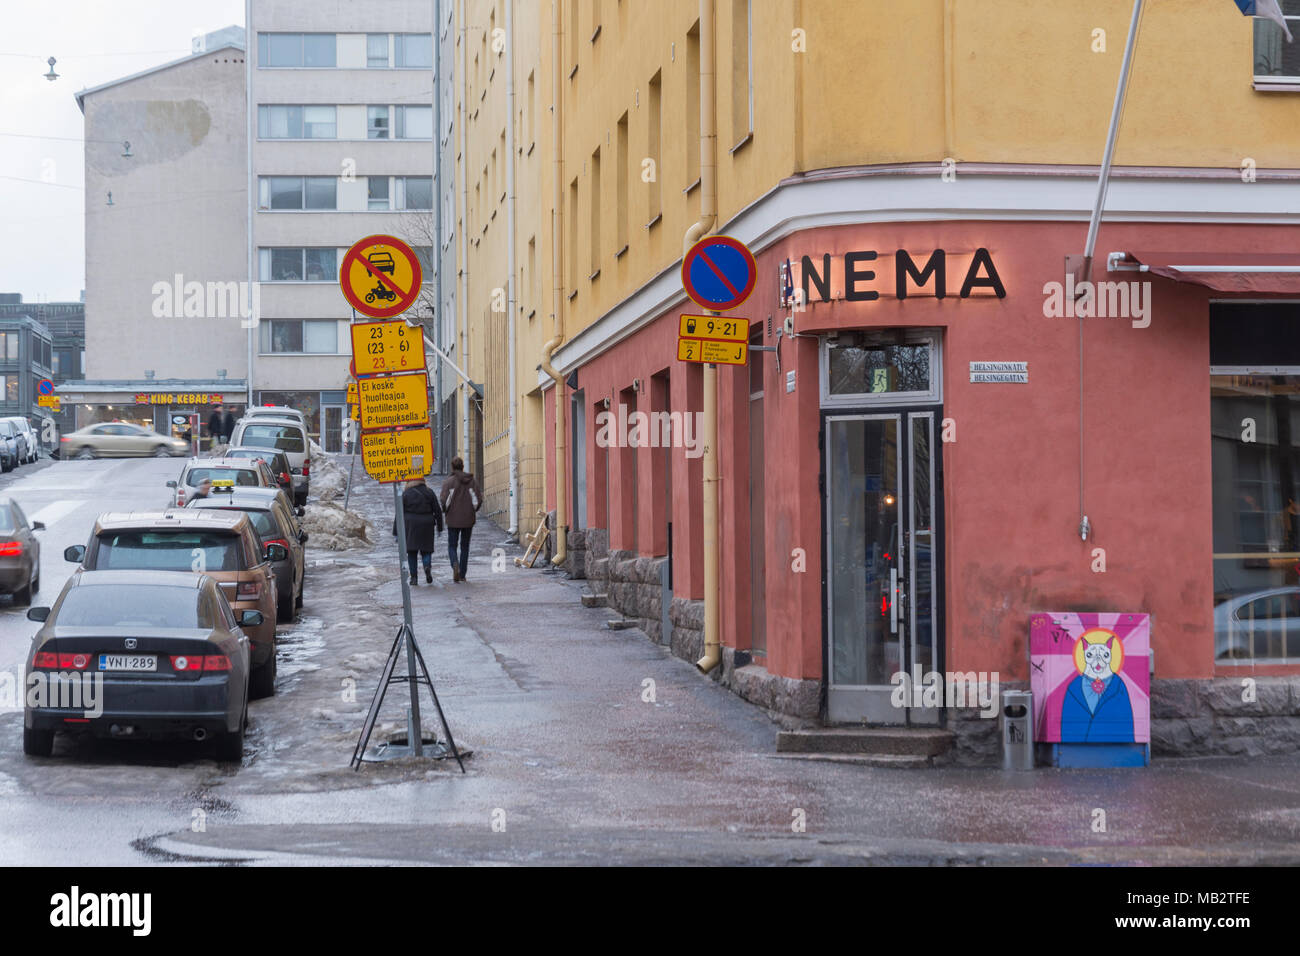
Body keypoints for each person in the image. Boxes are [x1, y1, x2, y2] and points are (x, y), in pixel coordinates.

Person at [440, 457, 483, 583]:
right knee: (465, 546)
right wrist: (473, 510)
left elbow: (444, 501)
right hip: (468, 519)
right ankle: (462, 574)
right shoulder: (471, 481)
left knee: (452, 546)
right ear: (463, 466)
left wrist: (446, 511)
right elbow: (478, 499)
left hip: (453, 519)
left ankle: (454, 564)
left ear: (452, 467)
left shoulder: (448, 483)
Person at [394, 479, 443, 585]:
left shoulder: (406, 494)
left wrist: (396, 532)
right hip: (427, 524)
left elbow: (399, 512)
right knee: (426, 550)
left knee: (412, 552)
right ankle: (426, 566)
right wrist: (440, 527)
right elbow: (437, 510)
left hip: (411, 525)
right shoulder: (429, 492)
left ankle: (414, 578)